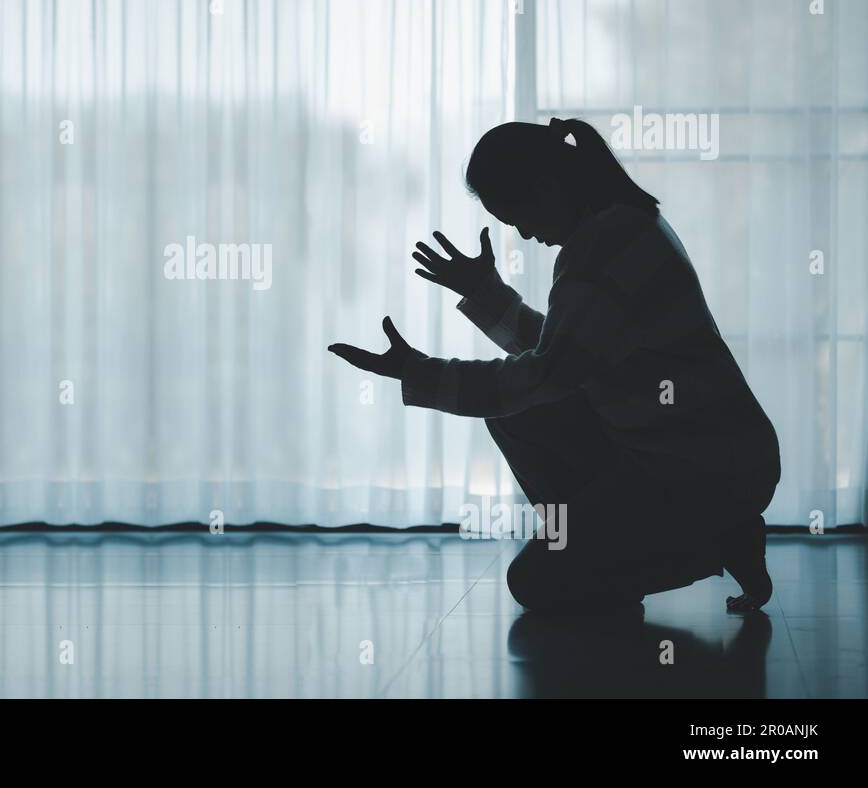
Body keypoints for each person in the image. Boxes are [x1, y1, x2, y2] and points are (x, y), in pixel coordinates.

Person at [328, 117, 779, 613]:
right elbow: (572, 357)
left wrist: (422, 373)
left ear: (547, 188)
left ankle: (694, 542)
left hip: (698, 470)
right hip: (702, 455)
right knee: (517, 416)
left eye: (518, 215)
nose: (523, 233)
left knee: (535, 581)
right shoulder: (622, 223)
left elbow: (548, 374)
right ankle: (638, 546)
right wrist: (484, 295)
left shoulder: (599, 251)